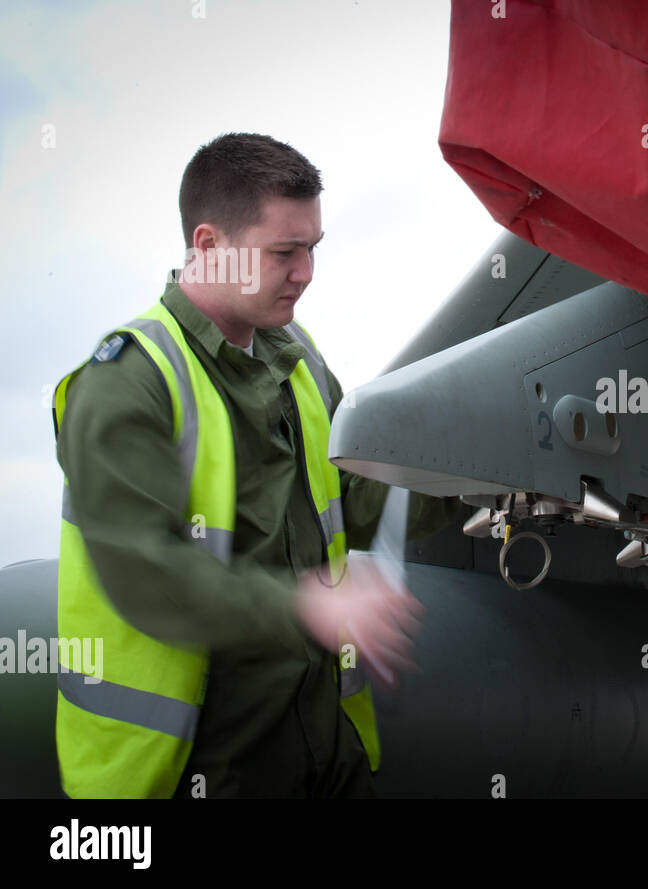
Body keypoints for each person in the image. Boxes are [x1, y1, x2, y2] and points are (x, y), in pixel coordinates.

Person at [52, 132, 459, 799]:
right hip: (193, 773)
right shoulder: (128, 381)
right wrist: (309, 609)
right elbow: (145, 574)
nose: (305, 273)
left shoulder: (294, 355)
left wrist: (478, 481)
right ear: (210, 247)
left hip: (324, 761)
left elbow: (357, 499)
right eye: (284, 252)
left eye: (312, 249)